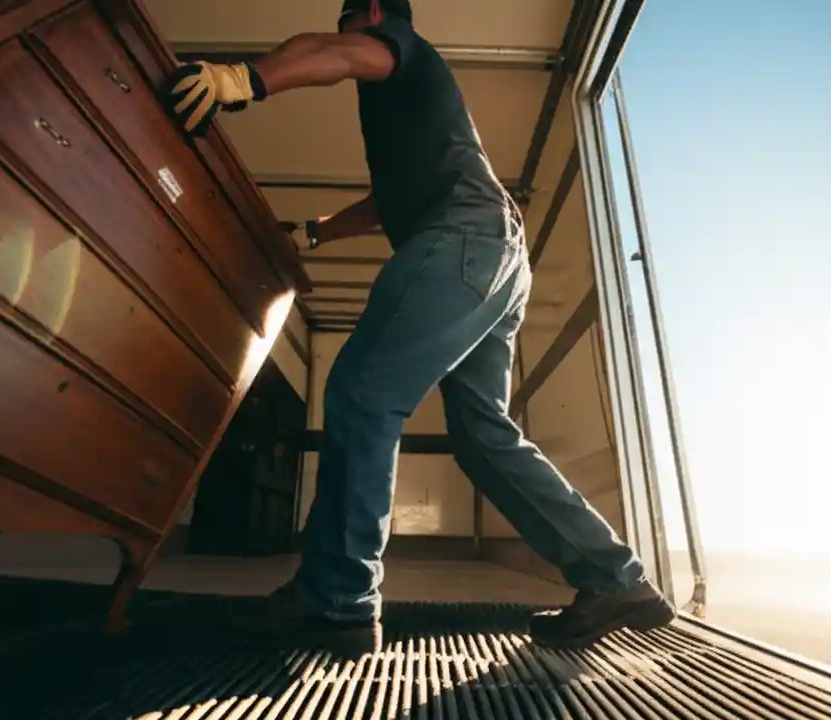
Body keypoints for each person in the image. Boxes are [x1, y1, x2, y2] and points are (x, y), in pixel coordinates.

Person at [168, 0, 675, 656]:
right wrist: (314, 233)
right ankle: (616, 580)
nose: (346, 35)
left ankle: (336, 599)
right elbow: (387, 203)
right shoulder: (410, 120)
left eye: (349, 19)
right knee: (483, 434)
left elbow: (329, 52)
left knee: (362, 392)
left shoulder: (398, 47)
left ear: (374, 13)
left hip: (463, 239)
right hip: (496, 257)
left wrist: (242, 78)